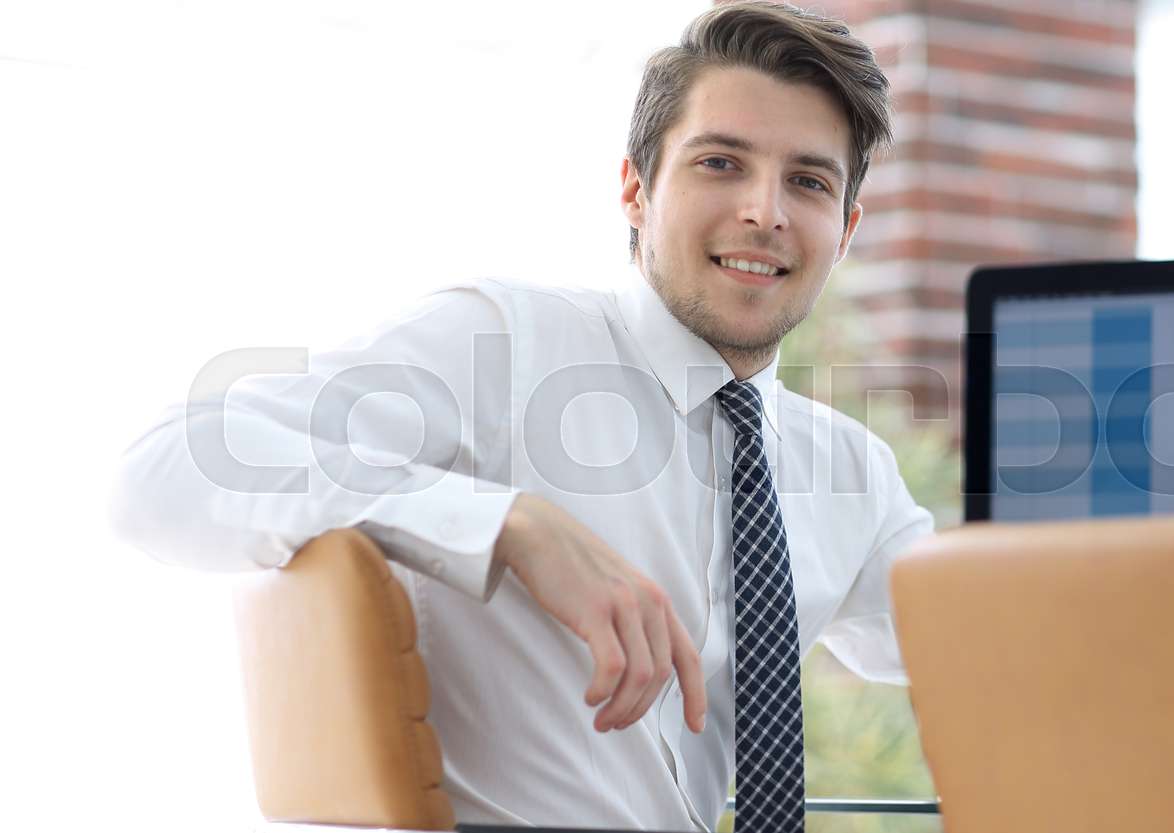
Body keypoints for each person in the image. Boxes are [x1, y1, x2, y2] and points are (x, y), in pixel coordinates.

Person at [108, 2, 934, 831]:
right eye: (721, 163)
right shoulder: (499, 345)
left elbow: (994, 644)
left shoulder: (852, 474)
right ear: (636, 191)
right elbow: (164, 469)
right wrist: (503, 523)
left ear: (846, 229)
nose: (767, 211)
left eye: (809, 181)